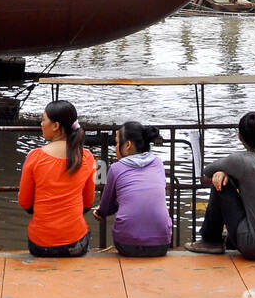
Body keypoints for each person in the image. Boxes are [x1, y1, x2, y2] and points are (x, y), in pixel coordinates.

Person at [185, 111, 255, 260]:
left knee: (220, 182)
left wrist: (224, 172)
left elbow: (207, 172)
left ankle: (211, 240)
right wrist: (227, 172)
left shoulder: (240, 160)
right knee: (225, 177)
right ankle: (218, 239)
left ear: (240, 137)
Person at [18, 99, 97, 256]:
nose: (41, 124)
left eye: (43, 120)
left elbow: (25, 202)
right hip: (75, 243)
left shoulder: (34, 157)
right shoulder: (87, 157)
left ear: (55, 126)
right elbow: (88, 202)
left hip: (40, 243)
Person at [93, 120, 172, 257]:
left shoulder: (116, 168)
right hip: (161, 245)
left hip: (127, 245)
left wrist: (100, 211)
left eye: (117, 143)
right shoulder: (158, 163)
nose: (116, 147)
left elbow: (106, 208)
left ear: (128, 145)